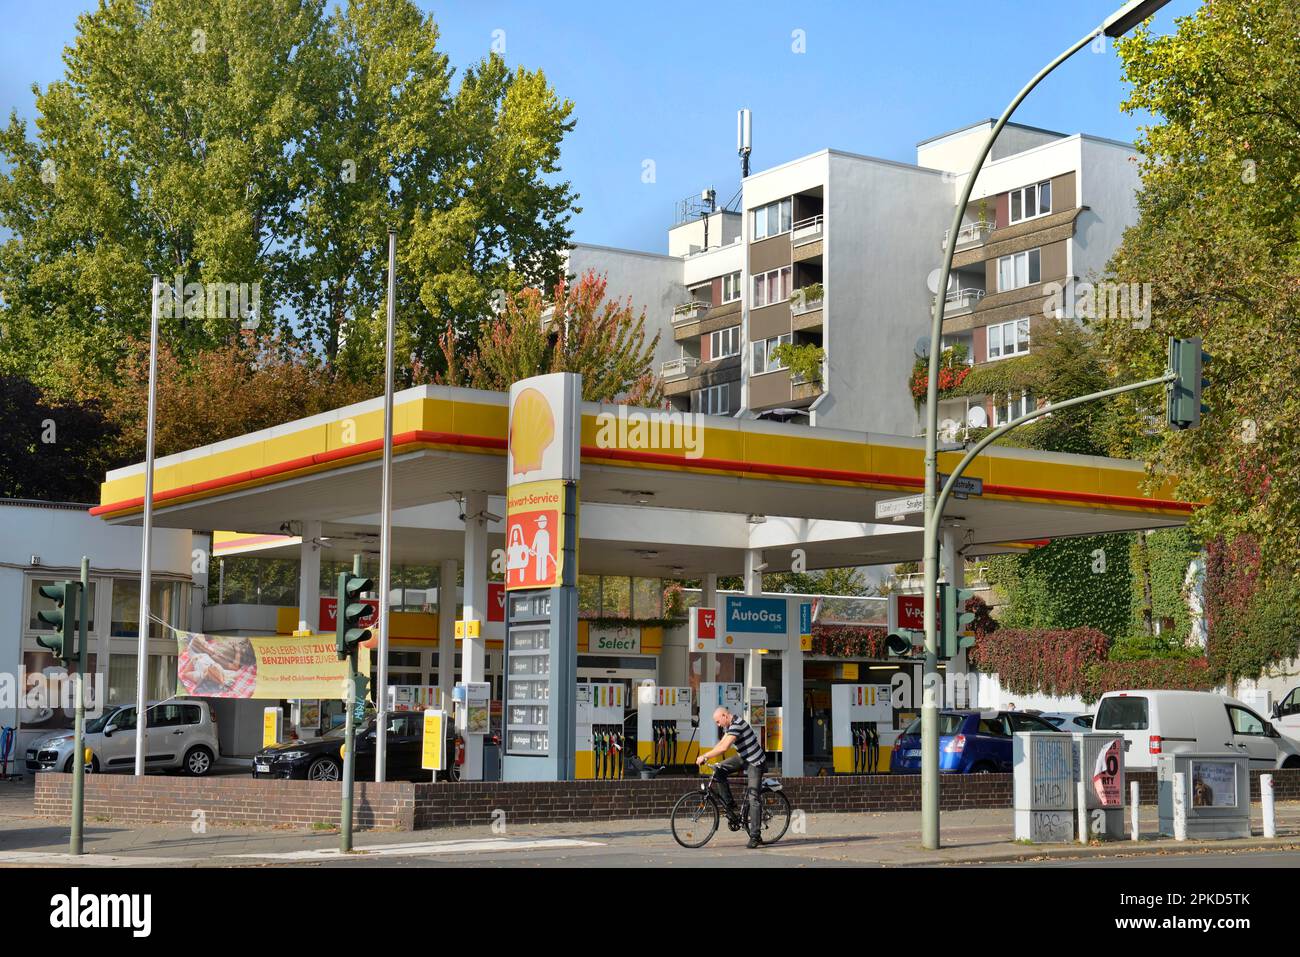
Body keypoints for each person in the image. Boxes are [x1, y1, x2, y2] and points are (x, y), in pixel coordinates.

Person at [696, 706, 767, 848]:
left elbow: (724, 747)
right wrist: (711, 757)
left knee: (753, 798)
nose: (718, 724)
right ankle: (730, 805)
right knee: (718, 769)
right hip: (743, 757)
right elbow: (721, 742)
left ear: (724, 716)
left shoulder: (737, 724)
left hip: (755, 762)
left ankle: (755, 836)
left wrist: (705, 756)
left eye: (717, 721)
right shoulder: (729, 725)